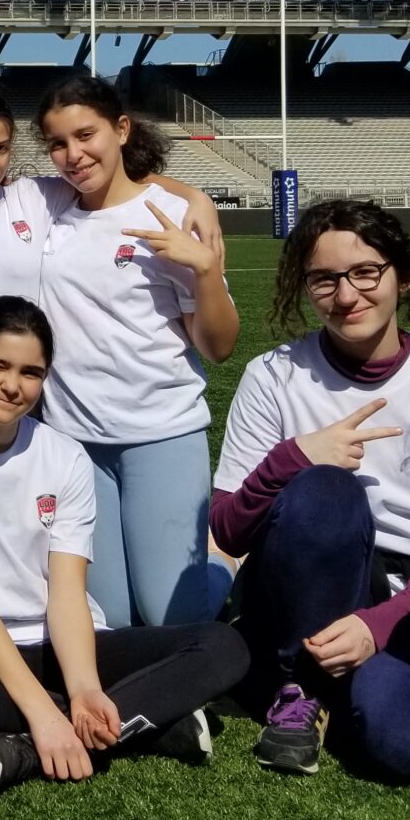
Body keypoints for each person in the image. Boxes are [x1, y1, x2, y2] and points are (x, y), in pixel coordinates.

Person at [0, 296, 247, 799]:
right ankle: (147, 723)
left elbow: (66, 590)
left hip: (63, 644)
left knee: (223, 646)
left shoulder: (64, 455)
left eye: (31, 372)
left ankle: (26, 747)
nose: (12, 385)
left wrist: (83, 689)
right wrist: (44, 712)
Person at [210, 199, 410, 780]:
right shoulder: (273, 375)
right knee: (328, 491)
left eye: (365, 273)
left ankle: (305, 678)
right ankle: (297, 686)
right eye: (324, 279)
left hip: (405, 598)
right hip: (302, 571)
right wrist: (294, 457)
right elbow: (227, 527)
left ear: (402, 276)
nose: (347, 295)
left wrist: (378, 626)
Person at [0, 77, 224, 446]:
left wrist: (197, 197)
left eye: (0, 148)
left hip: (22, 395)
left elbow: (115, 174)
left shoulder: (35, 196)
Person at [33, 74, 239, 629]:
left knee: (167, 613)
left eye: (86, 135)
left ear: (121, 129)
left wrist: (205, 269)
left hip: (161, 433)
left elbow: (218, 348)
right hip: (75, 442)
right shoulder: (49, 208)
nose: (73, 155)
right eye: (57, 143)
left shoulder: (167, 216)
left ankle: (227, 570)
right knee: (113, 620)